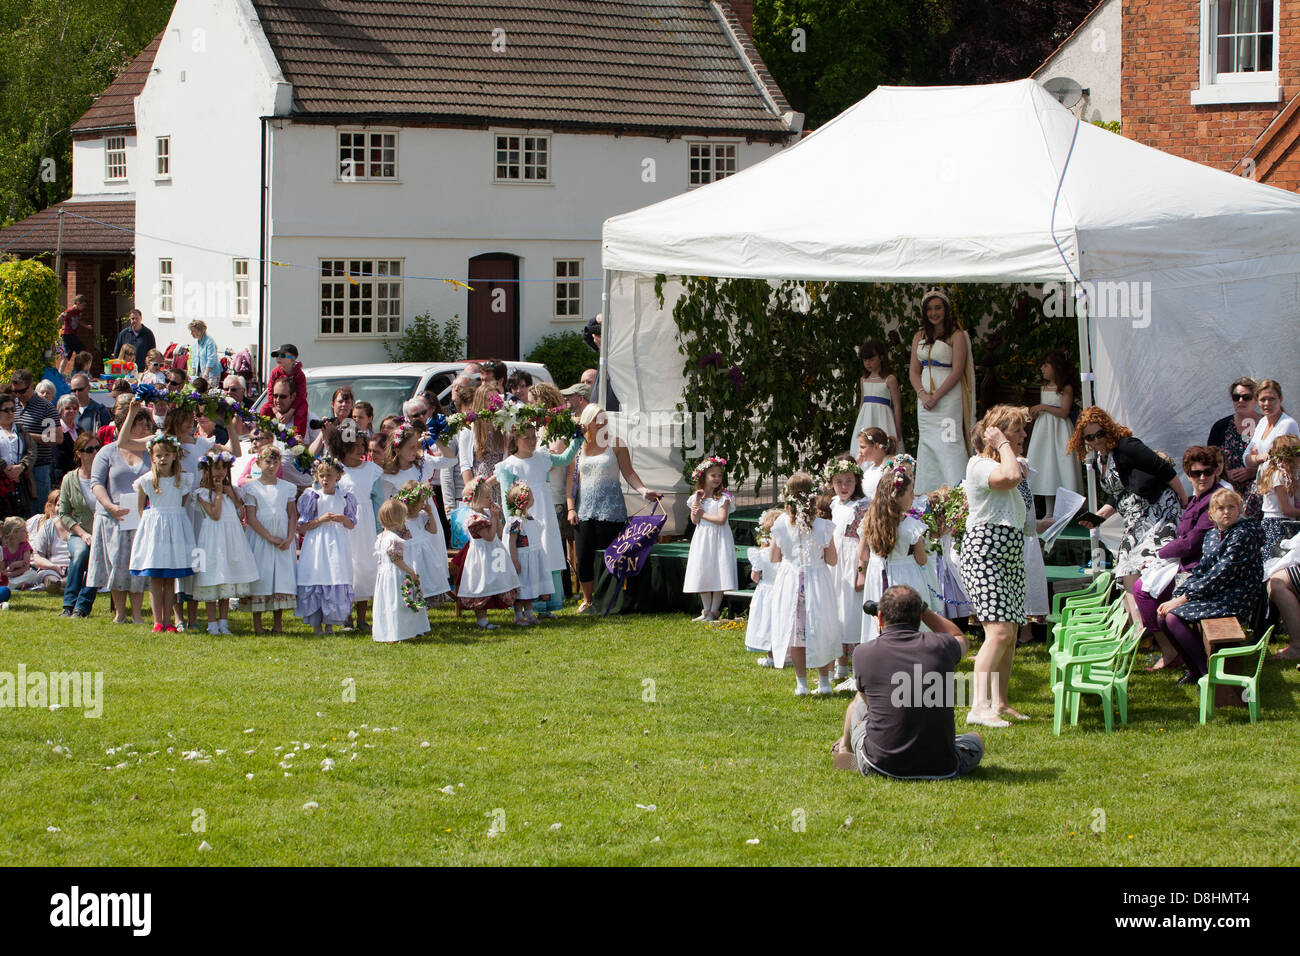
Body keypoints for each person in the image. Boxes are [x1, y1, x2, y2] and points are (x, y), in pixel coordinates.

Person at [834, 585, 984, 780]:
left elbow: (867, 701)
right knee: (976, 740)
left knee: (860, 701)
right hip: (941, 766)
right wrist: (925, 611)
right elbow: (959, 637)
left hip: (880, 765)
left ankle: (846, 751)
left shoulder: (864, 653)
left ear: (879, 617)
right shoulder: (942, 646)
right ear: (920, 617)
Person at [960, 405, 1032, 728]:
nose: (1023, 436)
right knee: (998, 632)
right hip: (985, 555)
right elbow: (1011, 477)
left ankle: (1001, 703)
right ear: (1000, 431)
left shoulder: (1007, 462)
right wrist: (1002, 443)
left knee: (1012, 633)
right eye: (1018, 430)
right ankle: (978, 706)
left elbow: (1018, 515)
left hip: (1010, 556)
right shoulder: (979, 464)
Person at [1157, 488, 1264, 685]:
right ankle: (1194, 671)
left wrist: (1184, 598)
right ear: (1212, 514)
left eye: (1231, 507)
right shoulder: (1213, 535)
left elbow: (1221, 575)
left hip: (1235, 596)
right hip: (1215, 593)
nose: (1226, 512)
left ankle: (1207, 674)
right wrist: (1180, 593)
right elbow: (1202, 570)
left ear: (1240, 510)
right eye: (1220, 508)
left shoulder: (1243, 534)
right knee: (1163, 617)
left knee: (1173, 619)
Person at [1131, 446, 1223, 670]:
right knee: (1142, 586)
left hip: (1199, 570)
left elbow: (1192, 541)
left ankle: (1177, 653)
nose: (1202, 477)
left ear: (1216, 472)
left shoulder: (1215, 500)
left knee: (1146, 594)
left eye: (1207, 472)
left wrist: (1161, 553)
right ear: (1188, 474)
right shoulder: (1196, 499)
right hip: (1185, 563)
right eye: (1195, 473)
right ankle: (1176, 652)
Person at [1069, 407, 1188, 579]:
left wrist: (1184, 498)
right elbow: (1118, 494)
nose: (1097, 440)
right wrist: (1099, 516)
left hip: (1158, 513)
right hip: (1135, 519)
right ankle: (1135, 607)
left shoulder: (1126, 446)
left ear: (1107, 429)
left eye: (1100, 434)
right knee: (1125, 571)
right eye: (1090, 437)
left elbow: (1164, 469)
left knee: (1140, 569)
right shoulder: (1100, 459)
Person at [566, 403, 661, 612]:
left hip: (611, 510)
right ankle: (588, 600)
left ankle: (608, 598)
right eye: (597, 420)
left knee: (609, 557)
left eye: (605, 419)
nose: (602, 423)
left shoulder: (616, 443)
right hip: (583, 510)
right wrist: (570, 507)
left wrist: (644, 491)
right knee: (583, 557)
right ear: (587, 423)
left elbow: (629, 473)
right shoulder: (578, 447)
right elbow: (572, 481)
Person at [495, 417, 579, 618]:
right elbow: (508, 498)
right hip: (525, 519)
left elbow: (566, 459)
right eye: (527, 438)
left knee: (548, 554)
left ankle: (548, 604)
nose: (532, 441)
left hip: (545, 515)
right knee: (529, 558)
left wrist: (577, 438)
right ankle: (529, 605)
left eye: (534, 437)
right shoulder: (509, 465)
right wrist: (514, 523)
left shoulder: (542, 457)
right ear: (515, 440)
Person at [768, 472, 840, 695]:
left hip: (791, 582)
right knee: (820, 628)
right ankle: (824, 681)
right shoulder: (823, 526)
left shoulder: (781, 524)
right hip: (817, 582)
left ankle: (802, 684)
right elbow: (832, 559)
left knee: (796, 633)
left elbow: (773, 557)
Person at [86, 399, 153, 625]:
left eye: (147, 426)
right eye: (140, 425)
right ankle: (120, 613)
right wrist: (109, 506)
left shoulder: (150, 451)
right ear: (127, 425)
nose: (145, 430)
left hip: (141, 515)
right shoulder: (107, 452)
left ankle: (136, 614)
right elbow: (96, 483)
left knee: (136, 563)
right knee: (117, 563)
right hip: (113, 516)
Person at [857, 461, 932, 645]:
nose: (913, 496)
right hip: (905, 576)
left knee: (879, 617)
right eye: (910, 492)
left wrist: (861, 573)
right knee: (906, 616)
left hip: (876, 575)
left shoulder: (869, 521)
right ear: (898, 497)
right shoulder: (911, 526)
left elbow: (863, 553)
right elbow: (921, 559)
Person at [909, 288, 975, 494]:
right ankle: (927, 495)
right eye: (929, 309)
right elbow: (913, 371)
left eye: (938, 308)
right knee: (927, 445)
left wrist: (936, 396)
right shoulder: (919, 335)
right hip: (925, 402)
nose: (934, 313)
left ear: (945, 309)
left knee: (949, 443)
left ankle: (957, 493)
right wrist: (922, 394)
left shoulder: (957, 335)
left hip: (947, 401)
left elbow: (957, 371)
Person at [128, 434, 196, 633]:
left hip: (175, 529)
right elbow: (141, 508)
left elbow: (181, 504)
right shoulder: (147, 481)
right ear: (153, 457)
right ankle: (158, 621)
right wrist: (150, 526)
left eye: (167, 455)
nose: (163, 459)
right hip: (155, 530)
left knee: (170, 578)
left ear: (174, 456)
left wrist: (173, 522)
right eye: (159, 455)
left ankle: (169, 620)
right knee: (156, 578)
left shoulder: (181, 480)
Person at [192, 451, 258, 634]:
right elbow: (215, 514)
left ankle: (223, 621)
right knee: (212, 577)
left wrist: (233, 497)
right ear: (207, 469)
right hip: (212, 539)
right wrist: (220, 494)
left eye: (223, 469)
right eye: (216, 468)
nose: (219, 473)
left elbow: (240, 515)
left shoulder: (233, 491)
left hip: (230, 538)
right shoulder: (202, 493)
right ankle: (212, 623)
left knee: (226, 578)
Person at [295, 457, 357, 634]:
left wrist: (343, 519)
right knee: (317, 575)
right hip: (317, 543)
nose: (324, 479)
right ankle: (316, 624)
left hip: (337, 542)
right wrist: (320, 520)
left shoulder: (345, 496)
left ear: (337, 476)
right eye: (321, 475)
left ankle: (330, 623)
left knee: (334, 575)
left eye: (328, 475)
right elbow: (303, 526)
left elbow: (352, 524)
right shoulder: (312, 496)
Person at [240, 445, 297, 634]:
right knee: (261, 576)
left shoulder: (287, 487)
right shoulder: (251, 488)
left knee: (280, 577)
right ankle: (258, 625)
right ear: (258, 463)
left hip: (282, 538)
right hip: (260, 540)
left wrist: (289, 537)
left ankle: (278, 625)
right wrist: (269, 537)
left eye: (275, 462)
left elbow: (291, 514)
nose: (271, 466)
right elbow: (252, 517)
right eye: (268, 462)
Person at [825, 457, 870, 678]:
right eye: (839, 481)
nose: (844, 487)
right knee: (836, 612)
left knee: (851, 611)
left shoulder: (862, 506)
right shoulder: (833, 503)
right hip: (835, 562)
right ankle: (840, 664)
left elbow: (865, 541)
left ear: (856, 481)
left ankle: (857, 667)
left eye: (849, 481)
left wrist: (861, 571)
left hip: (852, 561)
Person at [456, 477, 520, 629]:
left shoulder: (485, 513)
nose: (489, 499)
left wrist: (496, 518)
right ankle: (482, 620)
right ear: (476, 499)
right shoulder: (473, 518)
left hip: (495, 553)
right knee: (482, 583)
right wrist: (495, 517)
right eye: (486, 497)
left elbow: (498, 533)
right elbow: (489, 537)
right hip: (481, 555)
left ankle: (505, 611)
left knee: (499, 580)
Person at [337, 435, 384, 630]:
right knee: (346, 566)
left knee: (364, 567)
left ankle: (362, 617)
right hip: (341, 524)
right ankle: (346, 617)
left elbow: (378, 499)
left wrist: (379, 527)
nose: (360, 451)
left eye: (361, 447)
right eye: (354, 447)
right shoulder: (336, 469)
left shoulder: (371, 470)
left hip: (364, 524)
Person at [682, 455, 737, 623]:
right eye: (713, 475)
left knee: (719, 569)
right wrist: (697, 502)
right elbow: (695, 520)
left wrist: (703, 514)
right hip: (703, 537)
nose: (717, 478)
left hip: (719, 538)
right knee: (703, 569)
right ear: (704, 477)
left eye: (719, 475)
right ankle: (706, 611)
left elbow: (721, 520)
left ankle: (714, 610)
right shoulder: (698, 497)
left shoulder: (723, 497)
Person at [1025, 350, 1080, 512]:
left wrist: (1043, 407)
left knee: (1061, 465)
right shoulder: (1044, 387)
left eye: (1046, 365)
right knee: (1046, 466)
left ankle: (1065, 511)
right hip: (1044, 431)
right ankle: (1049, 510)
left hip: (1060, 431)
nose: (1042, 369)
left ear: (1056, 367)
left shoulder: (1065, 388)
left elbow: (1064, 412)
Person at [371, 498, 430, 644]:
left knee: (388, 603)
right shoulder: (394, 539)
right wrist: (411, 572)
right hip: (396, 575)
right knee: (399, 603)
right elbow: (396, 559)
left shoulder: (381, 537)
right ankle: (401, 631)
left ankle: (390, 631)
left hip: (385, 576)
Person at [58, 433, 100, 617]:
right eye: (90, 450)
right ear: (79, 453)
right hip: (79, 532)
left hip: (102, 533)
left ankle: (82, 607)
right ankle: (68, 605)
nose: (95, 453)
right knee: (81, 553)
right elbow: (64, 513)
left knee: (96, 559)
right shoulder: (69, 479)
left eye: (98, 448)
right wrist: (82, 534)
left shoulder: (105, 476)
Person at [398, 480, 451, 606]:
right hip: (410, 555)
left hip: (424, 554)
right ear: (412, 503)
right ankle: (414, 606)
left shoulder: (422, 516)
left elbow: (433, 530)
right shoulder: (401, 519)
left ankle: (425, 610)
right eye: (421, 502)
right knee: (413, 579)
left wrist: (430, 513)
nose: (423, 504)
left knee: (426, 580)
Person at [12, 369, 58, 514]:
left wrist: (26, 435)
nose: (19, 395)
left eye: (22, 391)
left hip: (39, 467)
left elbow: (55, 437)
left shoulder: (45, 407)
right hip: (16, 468)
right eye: (16, 392)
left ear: (31, 385)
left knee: (38, 512)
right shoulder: (13, 406)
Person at [1208, 377, 1261, 496]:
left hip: (1262, 493)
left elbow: (1279, 460)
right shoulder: (1221, 426)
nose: (1240, 401)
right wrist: (1225, 473)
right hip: (1228, 494)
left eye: (1246, 397)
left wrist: (1255, 471)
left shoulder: (1267, 424)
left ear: (1256, 399)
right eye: (1236, 397)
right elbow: (1209, 460)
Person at [849, 339, 903, 456]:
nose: (868, 363)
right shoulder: (863, 379)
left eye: (871, 359)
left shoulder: (890, 379)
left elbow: (897, 406)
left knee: (884, 449)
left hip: (884, 419)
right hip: (866, 419)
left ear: (881, 358)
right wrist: (859, 422)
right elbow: (862, 401)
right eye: (865, 360)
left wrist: (897, 428)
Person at [505, 482, 548, 625]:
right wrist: (514, 561)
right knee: (521, 588)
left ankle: (529, 613)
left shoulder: (530, 518)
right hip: (522, 558)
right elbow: (512, 542)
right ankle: (518, 616)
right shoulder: (516, 521)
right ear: (525, 501)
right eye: (531, 496)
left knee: (529, 587)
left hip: (532, 558)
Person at [745, 508, 782, 667]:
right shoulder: (787, 552)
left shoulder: (762, 554)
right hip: (782, 590)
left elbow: (755, 576)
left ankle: (772, 657)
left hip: (767, 591)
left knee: (768, 624)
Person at [1256, 434, 1300, 558]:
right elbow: (1286, 509)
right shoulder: (1279, 475)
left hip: (1284, 522)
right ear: (1288, 457)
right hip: (1277, 524)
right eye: (1298, 454)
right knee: (1276, 559)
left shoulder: (1287, 474)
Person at [259, 344, 309, 436]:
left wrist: (290, 412)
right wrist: (276, 412)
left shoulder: (300, 374)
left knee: (302, 411)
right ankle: (262, 434)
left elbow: (301, 395)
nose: (278, 358)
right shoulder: (275, 372)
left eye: (282, 355)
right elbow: (270, 392)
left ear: (292, 359)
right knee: (264, 410)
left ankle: (297, 437)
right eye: (276, 355)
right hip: (277, 405)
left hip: (296, 403)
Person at [0, 394, 35, 519]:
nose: (10, 413)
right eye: (6, 410)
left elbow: (32, 450)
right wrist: (5, 468)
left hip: (19, 482)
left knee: (20, 519)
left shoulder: (20, 430)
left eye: (13, 409)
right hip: (1, 482)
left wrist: (21, 467)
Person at [581, 313, 620, 411]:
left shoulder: (616, 354)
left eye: (600, 335)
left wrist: (605, 346)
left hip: (612, 413)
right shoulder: (603, 353)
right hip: (599, 411)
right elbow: (586, 335)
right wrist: (596, 319)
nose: (595, 340)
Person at [57, 296, 90, 376]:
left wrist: (86, 326)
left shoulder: (78, 312)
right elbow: (60, 317)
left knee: (67, 355)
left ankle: (60, 373)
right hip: (67, 335)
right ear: (78, 303)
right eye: (83, 305)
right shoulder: (70, 311)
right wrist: (59, 319)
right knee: (81, 349)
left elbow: (78, 321)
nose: (83, 307)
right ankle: (76, 370)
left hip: (71, 335)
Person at [53, 394, 79, 486]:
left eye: (75, 408)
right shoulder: (56, 430)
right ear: (61, 410)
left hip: (78, 476)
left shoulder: (80, 430)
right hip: (61, 478)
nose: (72, 411)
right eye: (68, 408)